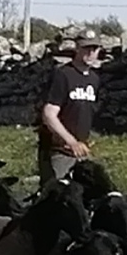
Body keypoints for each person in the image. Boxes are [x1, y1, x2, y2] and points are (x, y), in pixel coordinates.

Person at [36, 31, 106, 183]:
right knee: (58, 194)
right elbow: (49, 113)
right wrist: (70, 141)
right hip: (60, 150)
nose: (91, 53)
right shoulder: (63, 75)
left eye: (95, 49)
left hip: (82, 150)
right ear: (77, 49)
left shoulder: (94, 79)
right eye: (86, 48)